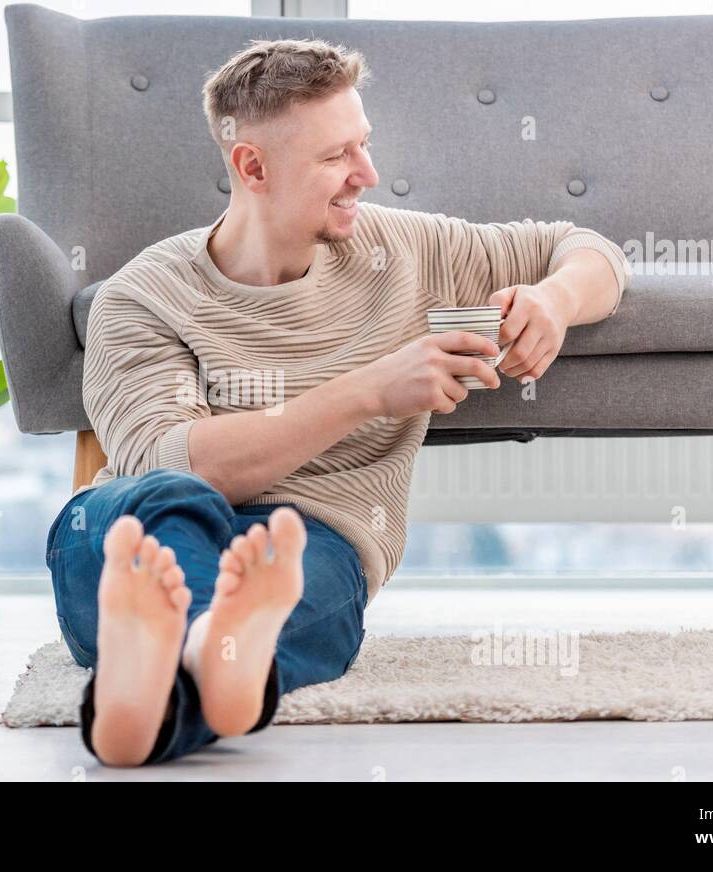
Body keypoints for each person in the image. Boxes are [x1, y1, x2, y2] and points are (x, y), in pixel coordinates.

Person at [46, 37, 629, 767]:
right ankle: (217, 660)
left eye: (364, 145)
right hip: (141, 521)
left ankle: (164, 687)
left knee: (309, 580)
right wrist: (370, 390)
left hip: (311, 532)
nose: (368, 174)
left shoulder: (407, 250)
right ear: (251, 166)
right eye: (335, 157)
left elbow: (589, 248)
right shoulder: (143, 298)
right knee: (161, 510)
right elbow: (182, 464)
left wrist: (554, 298)